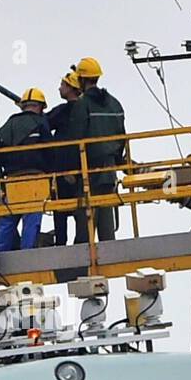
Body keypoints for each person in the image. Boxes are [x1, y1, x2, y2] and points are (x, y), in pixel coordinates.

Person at [67, 56, 126, 242]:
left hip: (89, 172)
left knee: (85, 226)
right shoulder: (114, 103)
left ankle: (83, 265)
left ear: (82, 80)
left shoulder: (82, 104)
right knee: (107, 224)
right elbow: (122, 136)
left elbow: (76, 138)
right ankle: (109, 261)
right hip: (109, 171)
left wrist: (71, 170)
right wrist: (117, 160)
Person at [0, 88, 50, 251]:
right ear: (40, 107)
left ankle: (1, 253)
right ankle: (28, 254)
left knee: (8, 218)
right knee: (32, 218)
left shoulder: (10, 124)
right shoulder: (41, 123)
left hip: (12, 179)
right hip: (35, 178)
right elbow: (50, 151)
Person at [45, 71, 82, 246]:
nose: (59, 87)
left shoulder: (63, 110)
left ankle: (61, 244)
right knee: (81, 209)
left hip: (62, 167)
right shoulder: (84, 110)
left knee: (60, 209)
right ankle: (82, 242)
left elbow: (44, 123)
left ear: (71, 88)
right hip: (82, 168)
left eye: (62, 84)